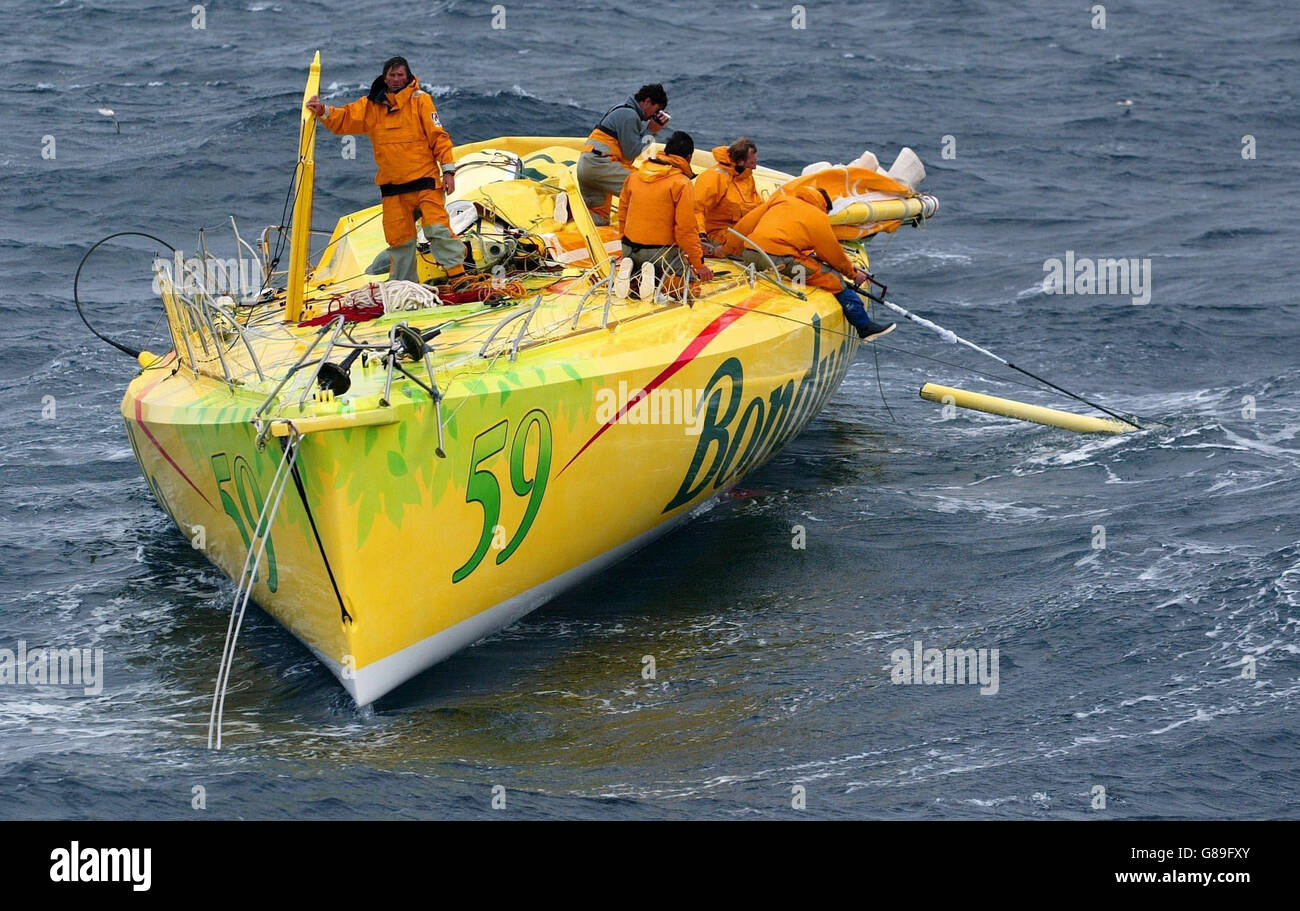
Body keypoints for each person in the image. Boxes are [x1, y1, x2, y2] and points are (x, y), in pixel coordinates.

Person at [305, 56, 466, 283]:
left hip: (425, 182)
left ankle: (459, 278)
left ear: (408, 77)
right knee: (399, 241)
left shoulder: (421, 100)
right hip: (393, 189)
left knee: (436, 229)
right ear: (385, 77)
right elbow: (345, 118)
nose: (396, 79)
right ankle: (404, 288)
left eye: (400, 75)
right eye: (392, 75)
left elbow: (438, 136)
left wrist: (448, 171)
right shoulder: (370, 106)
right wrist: (322, 110)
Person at [728, 186, 894, 339]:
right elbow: (832, 253)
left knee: (804, 265)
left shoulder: (782, 200)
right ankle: (864, 327)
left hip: (750, 254)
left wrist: (726, 248)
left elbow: (745, 225)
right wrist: (853, 274)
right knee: (833, 278)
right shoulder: (818, 216)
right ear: (824, 207)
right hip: (778, 259)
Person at [617, 131, 715, 287]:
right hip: (660, 254)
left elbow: (623, 214)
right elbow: (685, 229)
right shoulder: (681, 183)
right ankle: (658, 281)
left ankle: (634, 277)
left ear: (666, 151)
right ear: (689, 157)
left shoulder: (634, 176)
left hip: (629, 248)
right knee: (690, 288)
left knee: (639, 272)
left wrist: (625, 240)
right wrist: (699, 265)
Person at [577, 84, 673, 225]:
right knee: (647, 189)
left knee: (598, 218)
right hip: (600, 165)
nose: (654, 115)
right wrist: (652, 131)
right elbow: (630, 153)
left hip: (587, 165)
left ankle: (570, 210)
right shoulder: (630, 115)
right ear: (647, 102)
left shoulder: (619, 109)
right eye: (657, 110)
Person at [694, 137, 761, 251]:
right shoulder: (714, 178)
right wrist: (701, 235)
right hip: (717, 233)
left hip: (740, 231)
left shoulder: (747, 178)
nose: (755, 163)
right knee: (753, 249)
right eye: (752, 161)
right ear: (740, 162)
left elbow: (756, 205)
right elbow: (696, 209)